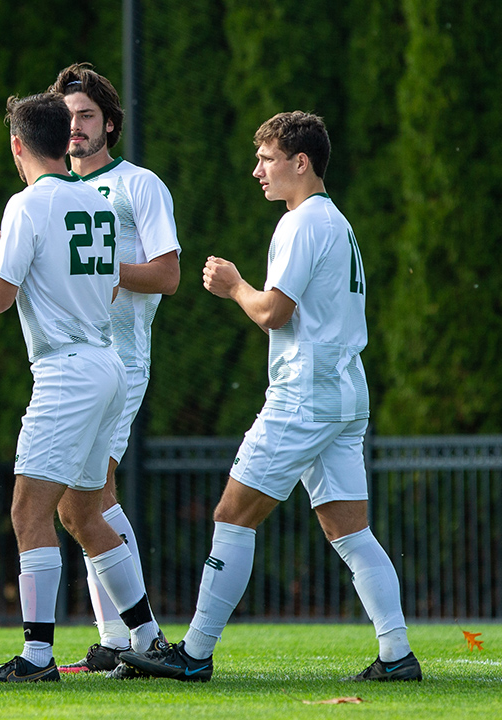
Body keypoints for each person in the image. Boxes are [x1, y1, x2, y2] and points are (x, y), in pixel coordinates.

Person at [121, 111, 420, 682]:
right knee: (350, 531)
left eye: (266, 159)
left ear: (300, 162)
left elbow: (273, 312)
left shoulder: (302, 222)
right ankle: (397, 655)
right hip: (345, 392)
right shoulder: (336, 221)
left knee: (232, 514)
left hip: (305, 394)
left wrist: (234, 285)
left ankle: (195, 654)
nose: (257, 170)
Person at [0, 93, 165, 684]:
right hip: (108, 363)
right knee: (83, 510)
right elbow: (111, 287)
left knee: (28, 510)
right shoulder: (97, 203)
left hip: (66, 369)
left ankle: (36, 657)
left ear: (18, 146)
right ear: (64, 139)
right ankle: (148, 638)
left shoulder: (27, 204)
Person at [44, 63, 182, 676]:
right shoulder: (53, 192)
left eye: (86, 116)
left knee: (85, 502)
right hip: (70, 358)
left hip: (120, 359)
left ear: (110, 124)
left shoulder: (138, 185)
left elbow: (167, 275)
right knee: (88, 501)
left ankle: (138, 639)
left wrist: (97, 269)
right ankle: (120, 641)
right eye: (66, 117)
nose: (75, 127)